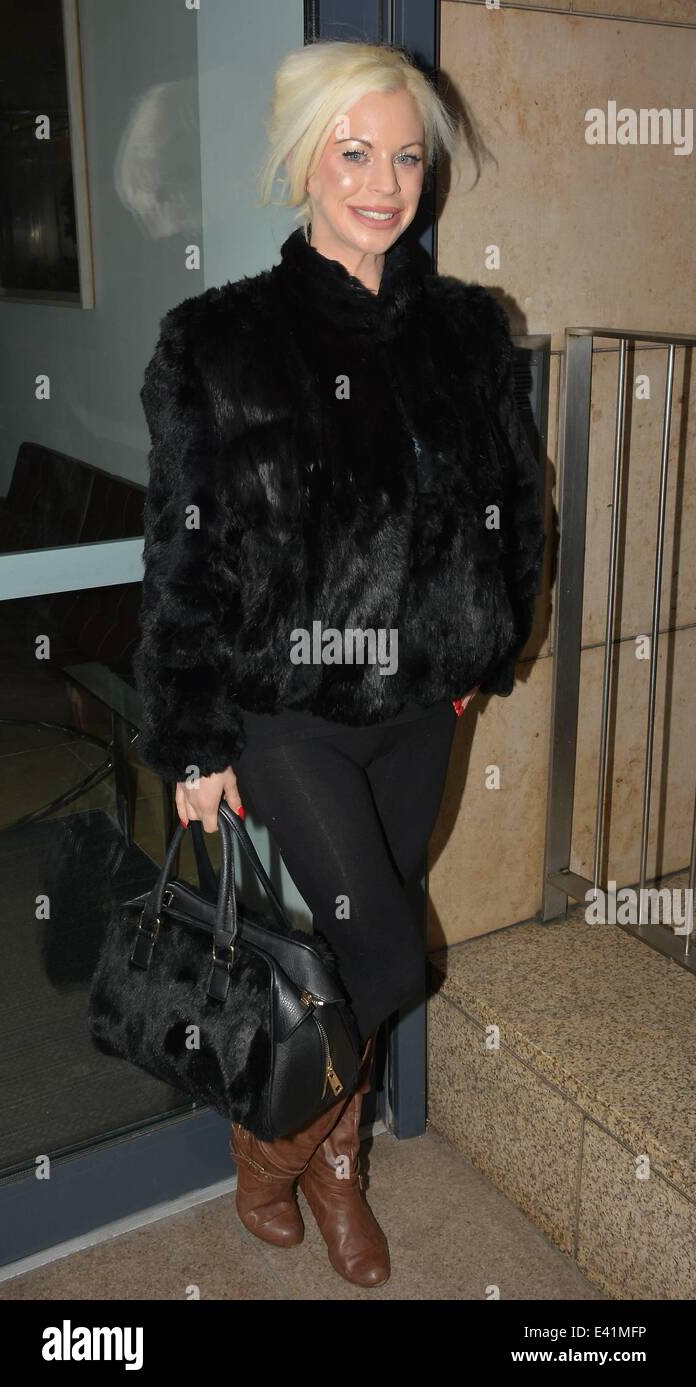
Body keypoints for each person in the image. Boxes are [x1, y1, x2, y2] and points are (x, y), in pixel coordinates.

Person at [133, 39, 546, 1289]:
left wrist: (484, 637)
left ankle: (329, 1153)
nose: (380, 182)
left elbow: (513, 507)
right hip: (288, 708)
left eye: (404, 155)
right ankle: (286, 1151)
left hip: (423, 705)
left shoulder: (470, 333)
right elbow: (182, 549)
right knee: (381, 954)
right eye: (352, 151)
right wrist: (193, 734)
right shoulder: (219, 340)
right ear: (304, 159)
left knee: (347, 948)